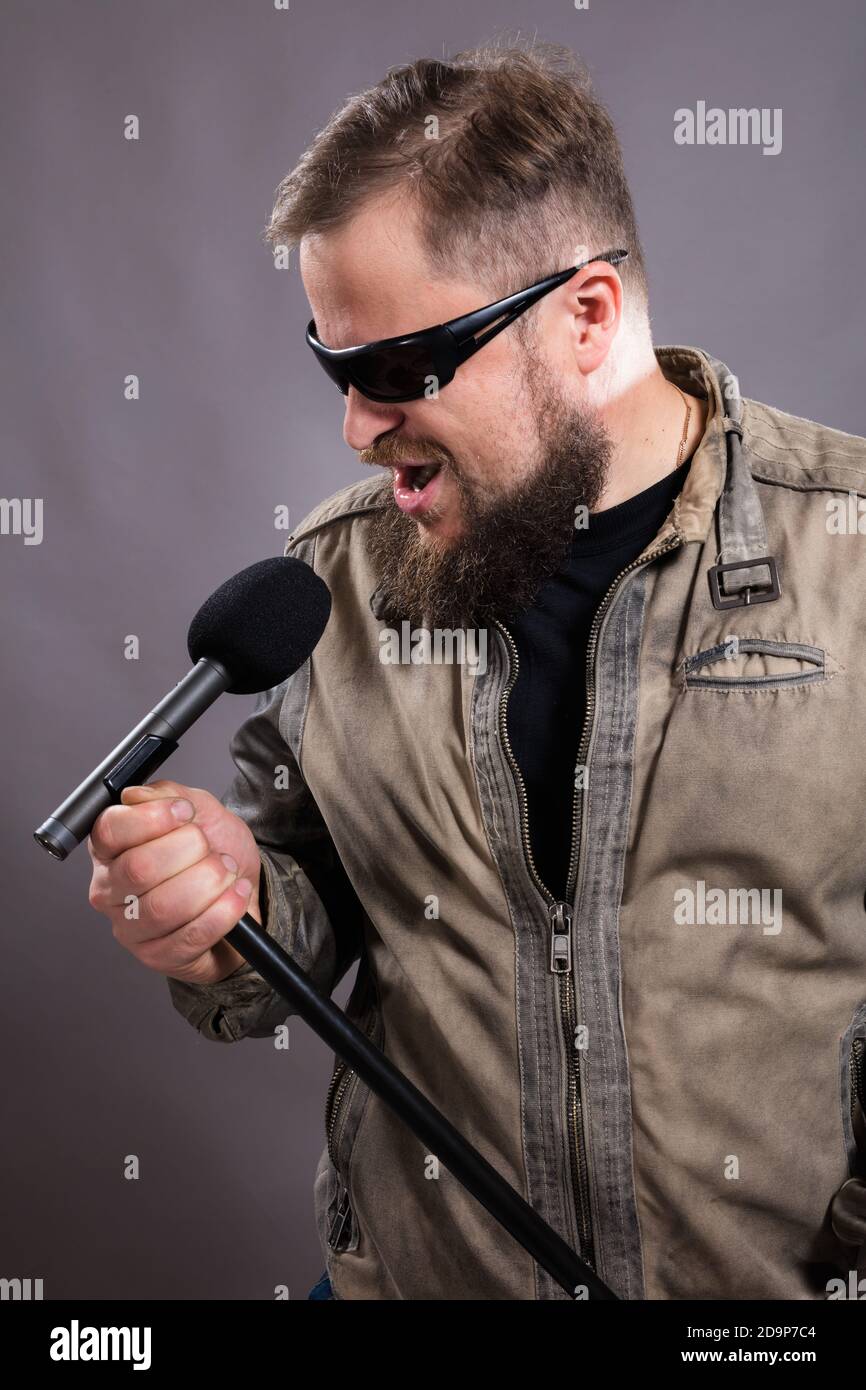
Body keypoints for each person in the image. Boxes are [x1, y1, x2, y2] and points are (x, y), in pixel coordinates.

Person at [86, 40, 866, 1301]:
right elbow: (310, 889)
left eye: (398, 370)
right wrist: (230, 906)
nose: (354, 424)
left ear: (587, 316)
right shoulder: (333, 583)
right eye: (333, 366)